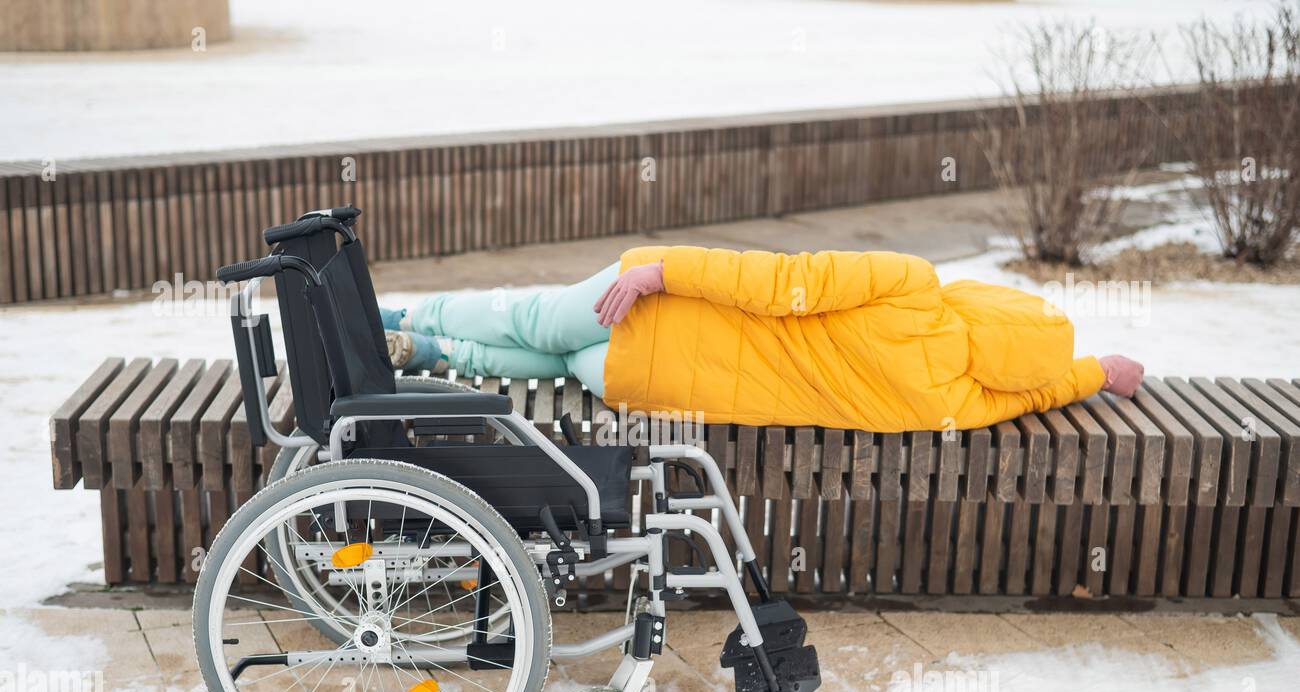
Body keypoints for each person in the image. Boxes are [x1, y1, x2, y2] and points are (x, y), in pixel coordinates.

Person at [381, 246, 1143, 431]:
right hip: (643, 385)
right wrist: (1095, 373)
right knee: (555, 361)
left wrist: (662, 271)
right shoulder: (951, 401)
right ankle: (446, 359)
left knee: (533, 318)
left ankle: (409, 321)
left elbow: (780, 281)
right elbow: (1036, 391)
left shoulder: (912, 283)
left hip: (654, 315)